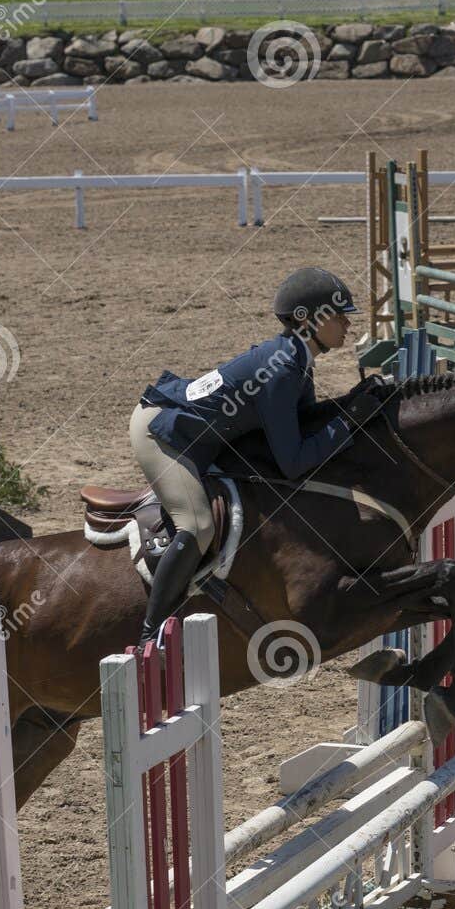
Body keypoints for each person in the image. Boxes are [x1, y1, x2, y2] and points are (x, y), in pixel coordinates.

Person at [130, 267, 381, 647]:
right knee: (196, 525)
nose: (347, 322)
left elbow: (306, 425)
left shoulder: (295, 360)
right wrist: (349, 423)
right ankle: (152, 632)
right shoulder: (280, 369)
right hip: (161, 432)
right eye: (338, 315)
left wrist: (351, 406)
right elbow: (293, 462)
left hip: (199, 432)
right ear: (306, 320)